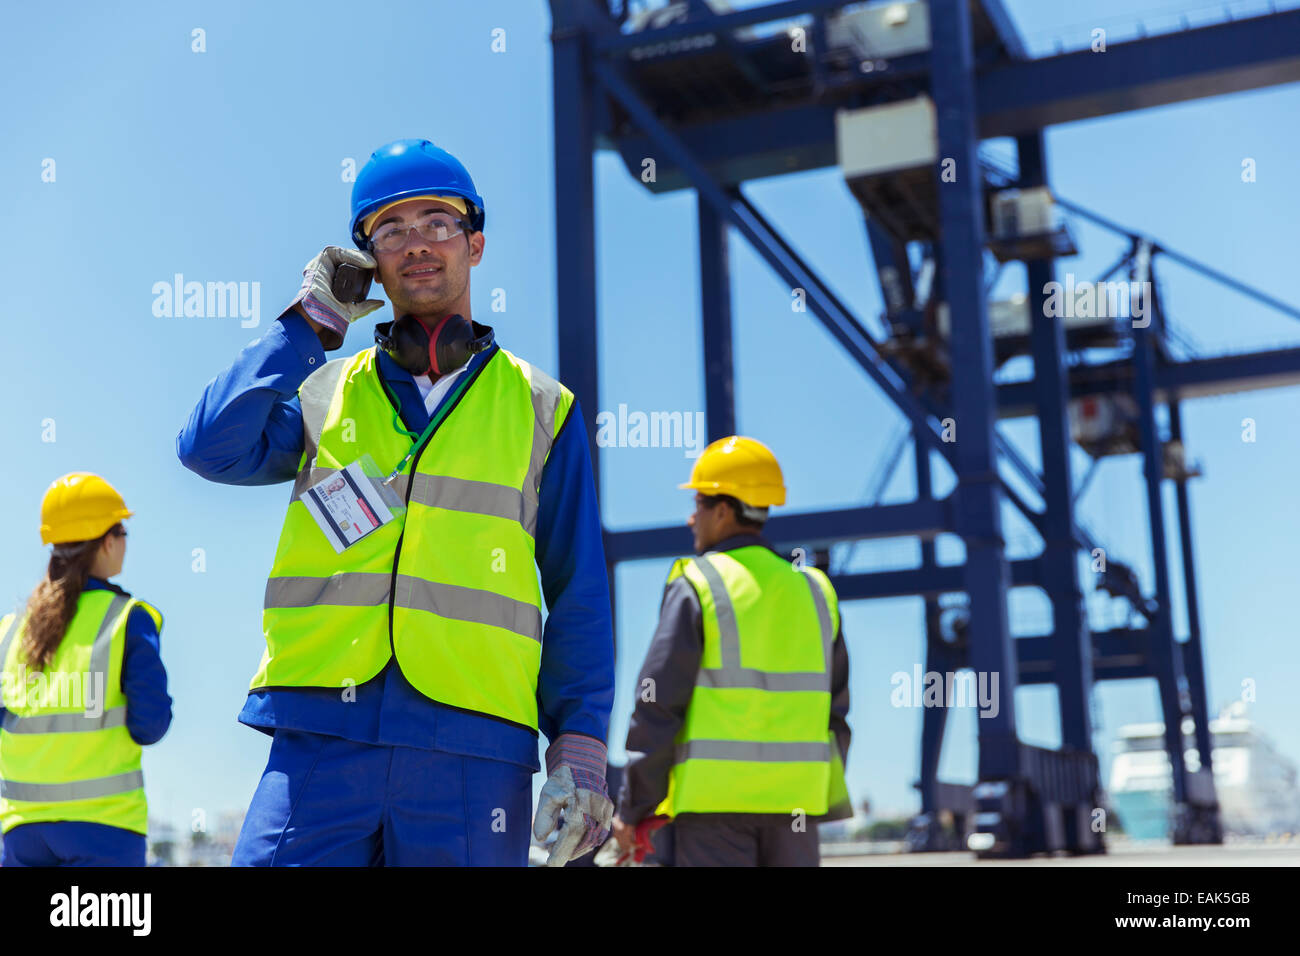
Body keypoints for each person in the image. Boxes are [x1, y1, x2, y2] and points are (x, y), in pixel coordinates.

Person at [177, 138, 614, 867]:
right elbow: (209, 448)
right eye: (391, 230)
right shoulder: (324, 388)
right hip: (321, 734)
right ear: (366, 261)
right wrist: (308, 326)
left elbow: (578, 592)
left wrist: (582, 741)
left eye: (437, 223)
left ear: (475, 244)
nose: (416, 244)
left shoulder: (544, 409)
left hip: (475, 747)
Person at [611, 436, 851, 866]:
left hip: (712, 814)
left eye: (699, 502)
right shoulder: (816, 593)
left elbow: (657, 705)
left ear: (724, 510)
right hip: (796, 811)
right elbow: (837, 716)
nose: (691, 517)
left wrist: (634, 808)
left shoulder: (699, 584)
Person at [0, 473, 172, 867]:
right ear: (108, 541)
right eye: (123, 530)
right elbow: (151, 725)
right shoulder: (128, 619)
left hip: (22, 828)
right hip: (104, 826)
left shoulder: (9, 631)